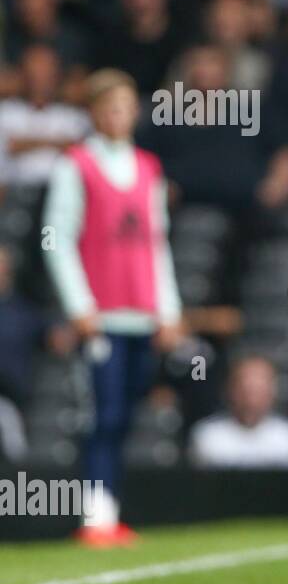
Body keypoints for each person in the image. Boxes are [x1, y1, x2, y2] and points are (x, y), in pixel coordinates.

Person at [43, 68, 183, 546]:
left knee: (124, 414)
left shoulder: (148, 167)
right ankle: (95, 517)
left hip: (141, 314)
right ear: (94, 112)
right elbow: (56, 240)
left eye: (124, 106)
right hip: (101, 317)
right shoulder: (75, 165)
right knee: (102, 414)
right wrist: (79, 305)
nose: (117, 115)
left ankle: (109, 511)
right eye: (109, 107)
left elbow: (157, 243)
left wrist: (168, 309)